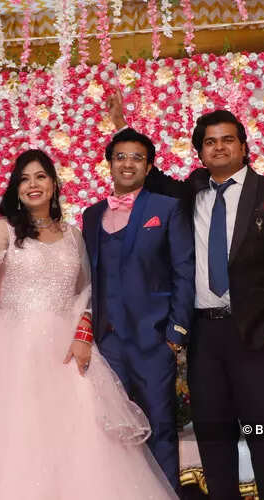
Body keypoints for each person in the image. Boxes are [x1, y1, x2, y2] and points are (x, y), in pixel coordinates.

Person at [0, 149, 177, 499]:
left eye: (40, 176)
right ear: (16, 189)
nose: (33, 184)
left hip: (67, 349)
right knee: (19, 435)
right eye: (24, 179)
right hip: (15, 349)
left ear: (54, 184)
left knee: (81, 436)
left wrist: (84, 332)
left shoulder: (73, 234)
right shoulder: (4, 230)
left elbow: (88, 291)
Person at [108, 94, 264, 500]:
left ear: (243, 146)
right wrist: (122, 127)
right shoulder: (191, 192)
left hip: (255, 334)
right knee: (214, 438)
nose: (219, 147)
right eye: (210, 142)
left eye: (228, 139)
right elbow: (150, 176)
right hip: (204, 336)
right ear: (200, 152)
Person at [82, 128, 195, 490]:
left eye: (136, 157)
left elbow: (184, 270)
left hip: (153, 339)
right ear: (109, 164)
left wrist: (176, 333)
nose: (127, 163)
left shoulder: (167, 208)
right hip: (107, 343)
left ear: (148, 167)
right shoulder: (90, 215)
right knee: (111, 433)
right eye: (120, 157)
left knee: (159, 428)